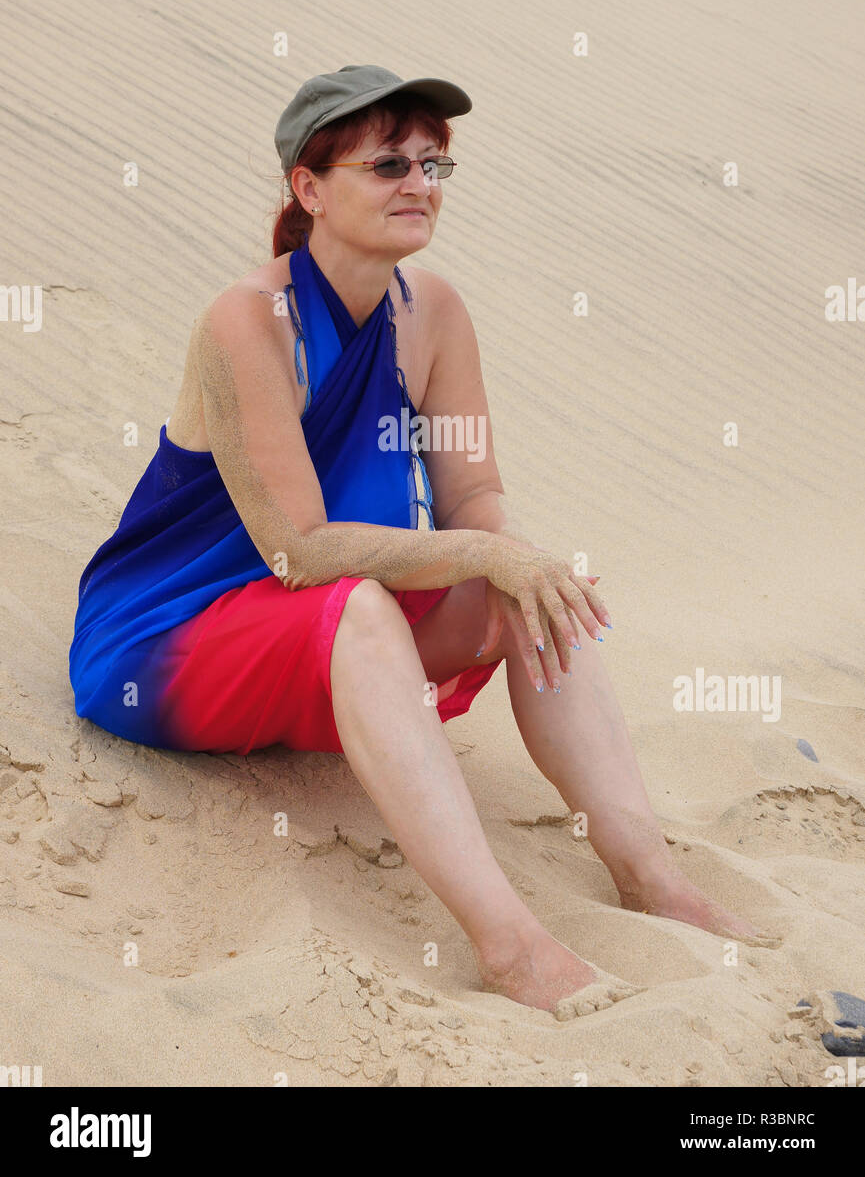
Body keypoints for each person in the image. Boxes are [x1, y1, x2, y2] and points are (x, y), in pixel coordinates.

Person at [68, 64, 777, 1016]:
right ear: (308, 189)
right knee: (373, 602)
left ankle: (647, 874)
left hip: (327, 645)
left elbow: (472, 491)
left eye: (435, 166)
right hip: (172, 641)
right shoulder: (249, 319)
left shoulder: (431, 312)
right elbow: (299, 550)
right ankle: (512, 947)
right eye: (389, 163)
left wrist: (512, 561)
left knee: (541, 586)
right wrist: (483, 555)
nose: (419, 184)